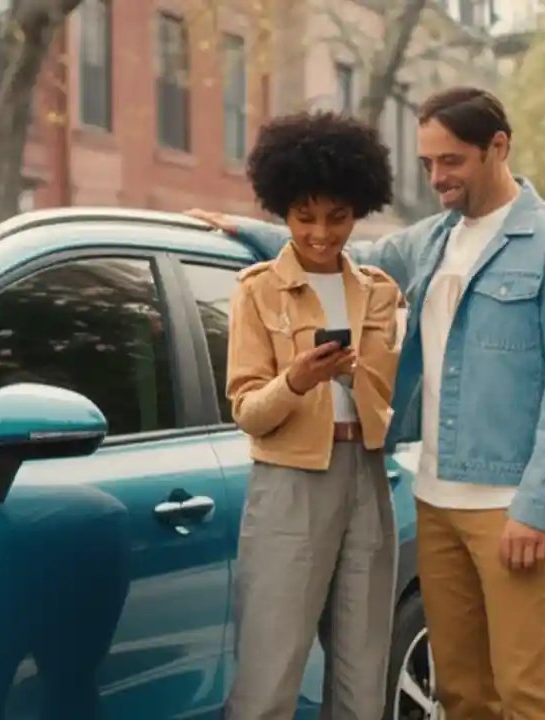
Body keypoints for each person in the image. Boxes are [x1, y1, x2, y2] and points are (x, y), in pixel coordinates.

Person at [189, 86, 545, 720]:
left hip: (512, 504)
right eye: (427, 164)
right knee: (461, 691)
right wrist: (249, 226)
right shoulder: (435, 241)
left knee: (527, 691)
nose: (437, 178)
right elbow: (339, 254)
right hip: (437, 498)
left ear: (499, 148)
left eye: (452, 162)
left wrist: (539, 506)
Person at [221, 110, 403, 719]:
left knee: (363, 672)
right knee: (271, 671)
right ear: (283, 211)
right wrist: (298, 379)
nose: (322, 233)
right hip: (290, 481)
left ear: (358, 209)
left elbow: (385, 404)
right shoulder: (256, 290)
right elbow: (248, 410)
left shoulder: (379, 291)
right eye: (305, 218)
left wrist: (354, 372)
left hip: (368, 478)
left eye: (338, 218)